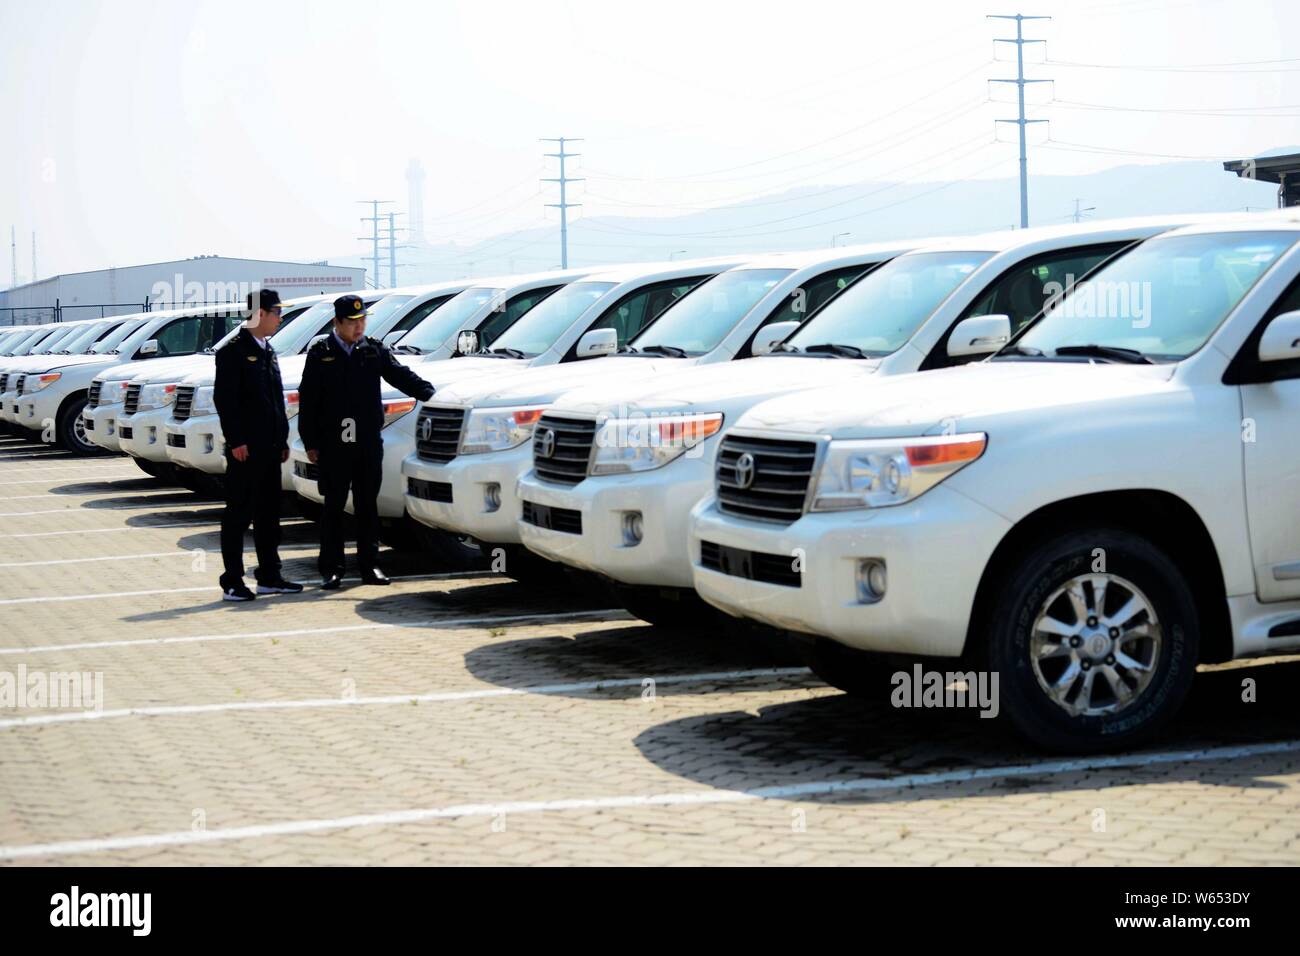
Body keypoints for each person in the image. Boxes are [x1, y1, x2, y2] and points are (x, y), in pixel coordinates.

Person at [298, 293, 435, 589]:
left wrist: (433, 395)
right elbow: (308, 400)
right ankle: (331, 568)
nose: (358, 327)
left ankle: (369, 567)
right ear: (337, 322)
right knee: (333, 507)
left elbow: (402, 376)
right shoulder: (320, 353)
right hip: (333, 443)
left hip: (366, 442)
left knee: (366, 507)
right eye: (352, 322)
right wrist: (310, 442)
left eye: (362, 321)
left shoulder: (372, 350)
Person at [213, 289, 303, 601]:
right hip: (245, 449)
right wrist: (236, 440)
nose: (280, 318)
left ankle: (269, 576)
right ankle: (233, 580)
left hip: (269, 447)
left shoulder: (268, 350)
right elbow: (225, 400)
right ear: (260, 314)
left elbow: (276, 400)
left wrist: (282, 439)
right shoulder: (233, 351)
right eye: (277, 312)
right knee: (238, 513)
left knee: (269, 514)